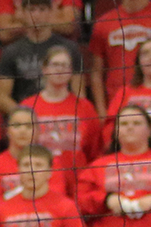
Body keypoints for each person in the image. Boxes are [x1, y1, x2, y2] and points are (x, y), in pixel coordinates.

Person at [18, 47, 101, 196]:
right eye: (55, 65)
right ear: (44, 69)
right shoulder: (28, 106)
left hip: (78, 183)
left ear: (71, 72)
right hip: (40, 184)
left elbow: (94, 149)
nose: (60, 69)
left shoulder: (84, 107)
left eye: (65, 65)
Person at [0, 0, 83, 117]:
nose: (36, 15)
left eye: (42, 9)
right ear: (22, 13)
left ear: (51, 12)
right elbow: (2, 97)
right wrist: (26, 115)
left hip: (62, 115)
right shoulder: (11, 52)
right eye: (31, 10)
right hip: (25, 118)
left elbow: (79, 93)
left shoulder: (70, 49)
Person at [0, 107, 68, 207]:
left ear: (38, 131)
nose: (23, 131)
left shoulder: (52, 162)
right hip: (8, 216)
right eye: (16, 126)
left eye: (29, 126)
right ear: (7, 130)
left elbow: (57, 198)